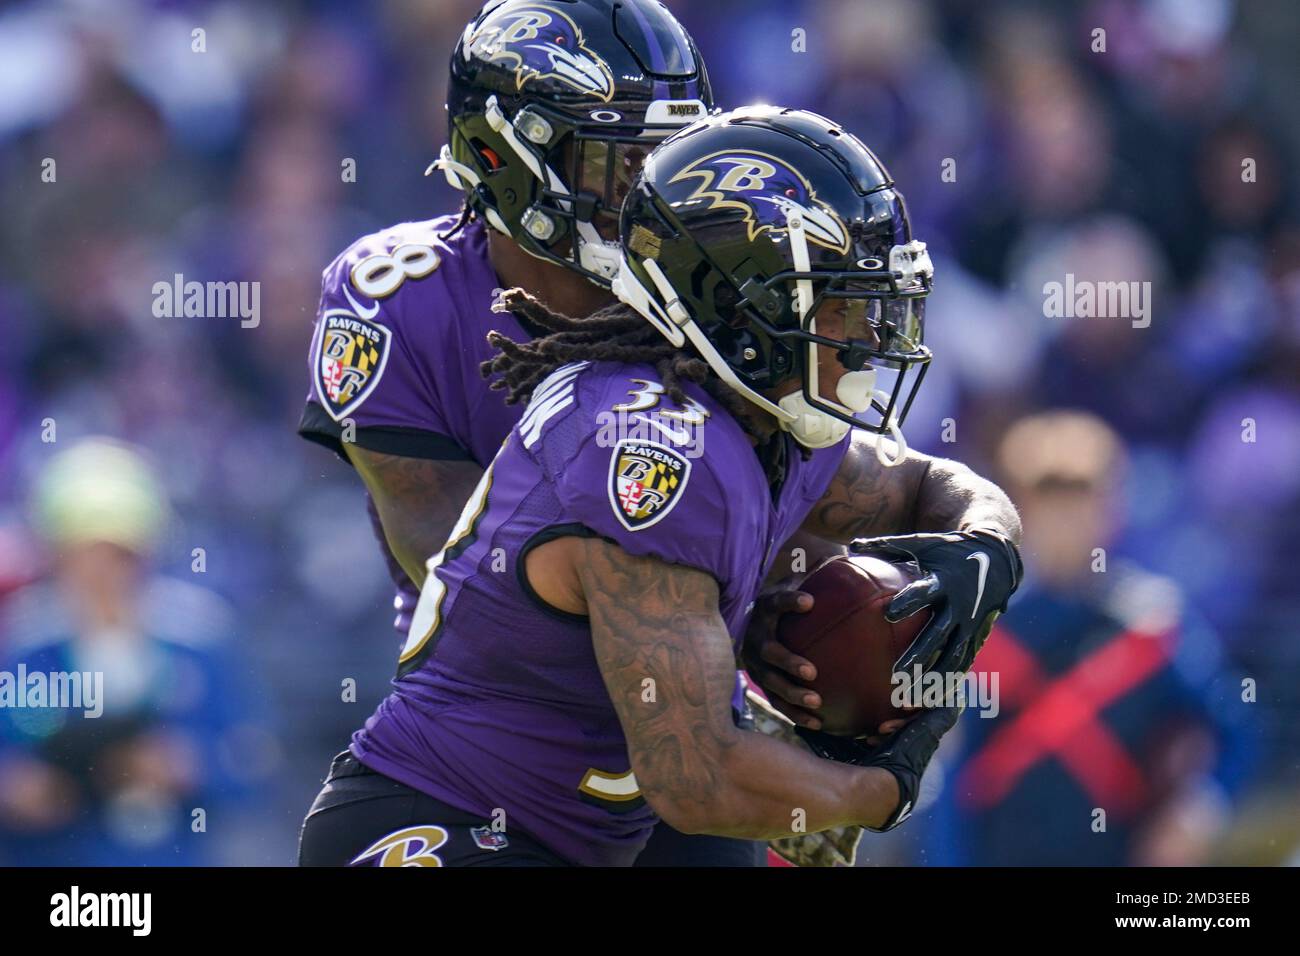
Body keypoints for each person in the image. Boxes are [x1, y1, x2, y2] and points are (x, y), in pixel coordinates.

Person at [298, 104, 1023, 867]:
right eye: (845, 306)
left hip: (585, 841)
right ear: (751, 307)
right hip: (449, 825)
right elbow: (700, 781)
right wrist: (884, 788)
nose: (872, 339)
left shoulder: (764, 414)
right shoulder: (653, 449)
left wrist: (985, 549)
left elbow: (933, 486)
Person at [294, 0, 757, 866]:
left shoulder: (712, 297)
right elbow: (479, 580)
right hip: (482, 746)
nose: (647, 189)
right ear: (509, 154)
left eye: (666, 157)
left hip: (681, 738)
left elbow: (822, 493)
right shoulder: (396, 296)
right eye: (618, 160)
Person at [923, 411, 1237, 866]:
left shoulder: (1153, 622)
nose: (1067, 526)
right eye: (1052, 508)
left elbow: (1236, 728)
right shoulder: (985, 626)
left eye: (1081, 505)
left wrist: (1198, 809)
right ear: (1022, 513)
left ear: (1111, 512)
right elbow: (950, 774)